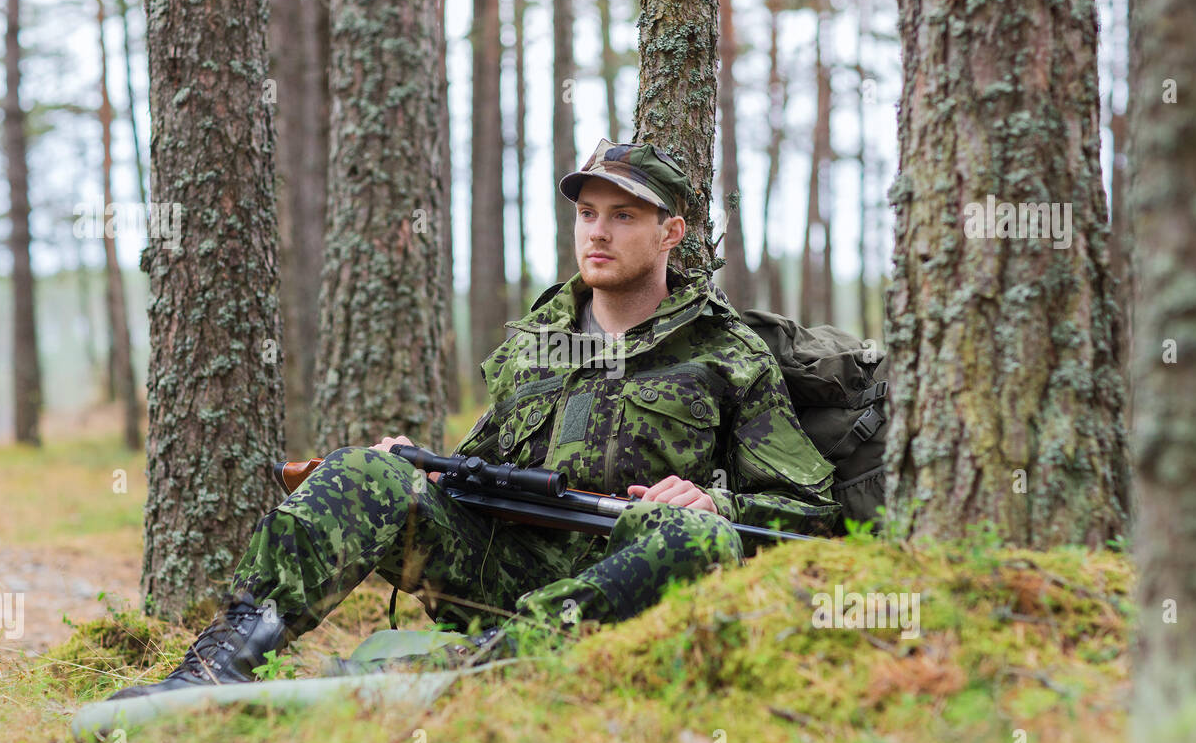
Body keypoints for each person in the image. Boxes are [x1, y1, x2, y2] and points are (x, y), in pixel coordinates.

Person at [109, 138, 839, 699]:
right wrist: (419, 467)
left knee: (696, 534)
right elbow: (485, 461)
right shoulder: (537, 340)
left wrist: (716, 499)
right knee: (366, 470)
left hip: (625, 584)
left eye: (624, 216)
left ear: (671, 232)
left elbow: (808, 508)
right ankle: (219, 664)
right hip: (498, 574)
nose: (599, 233)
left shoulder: (726, 351)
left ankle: (488, 672)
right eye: (588, 214)